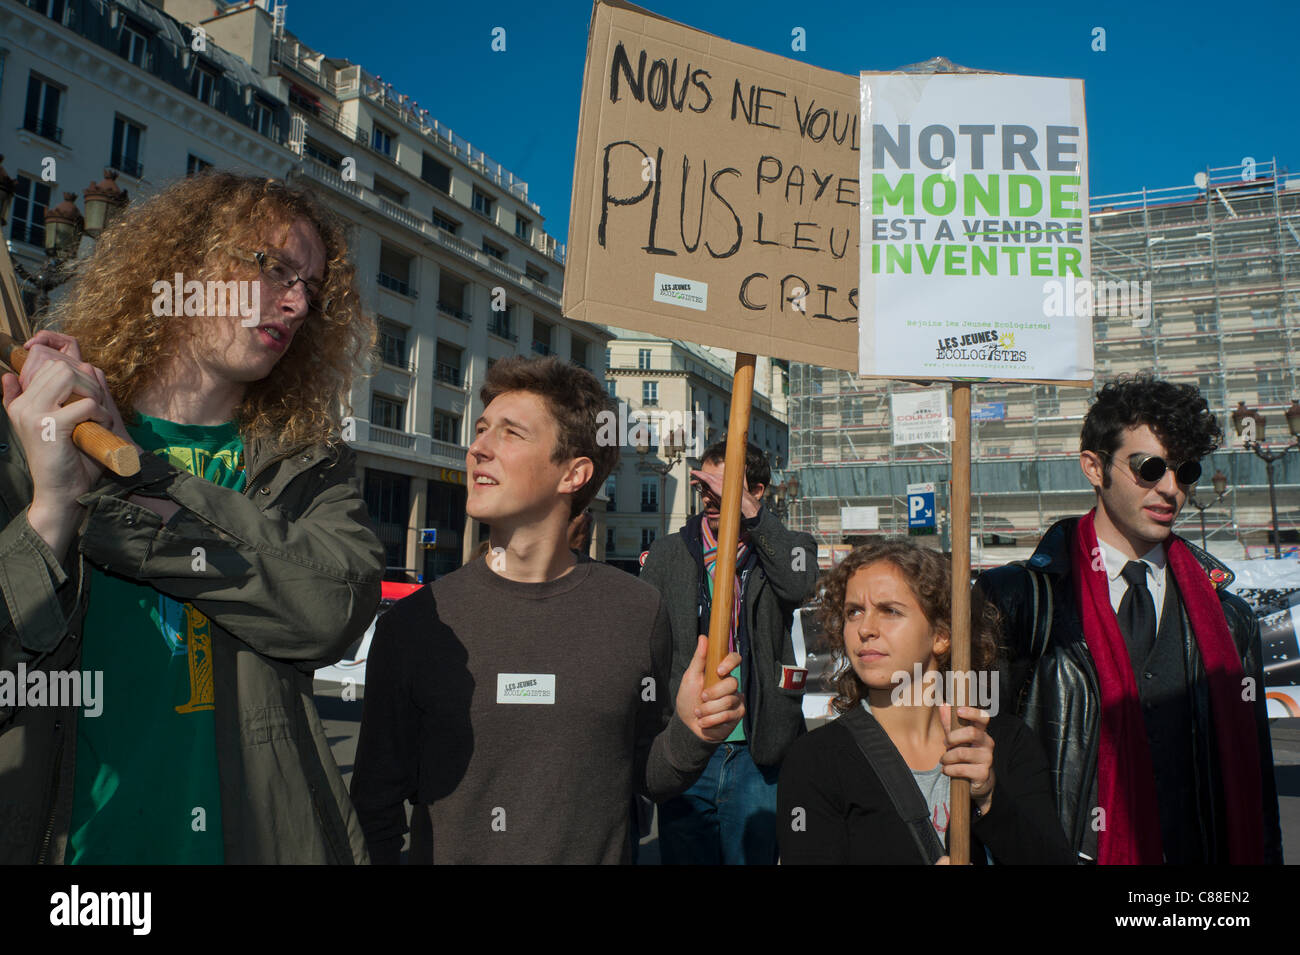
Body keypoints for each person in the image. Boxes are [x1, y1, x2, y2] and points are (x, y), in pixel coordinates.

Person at [0, 172, 383, 863]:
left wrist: (145, 491)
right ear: (188, 263)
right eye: (274, 268)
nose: (296, 304)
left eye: (312, 289)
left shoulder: (308, 465)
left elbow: (334, 607)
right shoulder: (37, 431)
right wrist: (54, 511)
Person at [349, 356, 745, 864]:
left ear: (574, 473)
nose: (478, 448)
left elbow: (647, 775)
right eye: (481, 429)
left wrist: (691, 735)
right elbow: (374, 808)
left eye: (510, 434)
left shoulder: (636, 610)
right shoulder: (417, 623)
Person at [976, 376, 1282, 864]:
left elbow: (1257, 780)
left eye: (1186, 472)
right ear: (1094, 467)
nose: (1170, 489)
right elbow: (973, 756)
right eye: (1150, 468)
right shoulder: (1017, 600)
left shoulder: (1229, 616)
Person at [777, 539, 1074, 865]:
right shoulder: (815, 760)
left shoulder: (1006, 743)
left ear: (942, 634)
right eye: (853, 612)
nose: (865, 629)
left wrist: (989, 798)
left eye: (889, 611)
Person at [639, 439, 818, 865]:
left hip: (758, 751)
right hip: (687, 746)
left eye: (724, 488)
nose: (711, 498)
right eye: (705, 488)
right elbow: (644, 647)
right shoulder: (667, 553)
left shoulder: (788, 546)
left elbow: (799, 585)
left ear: (756, 491)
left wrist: (752, 516)